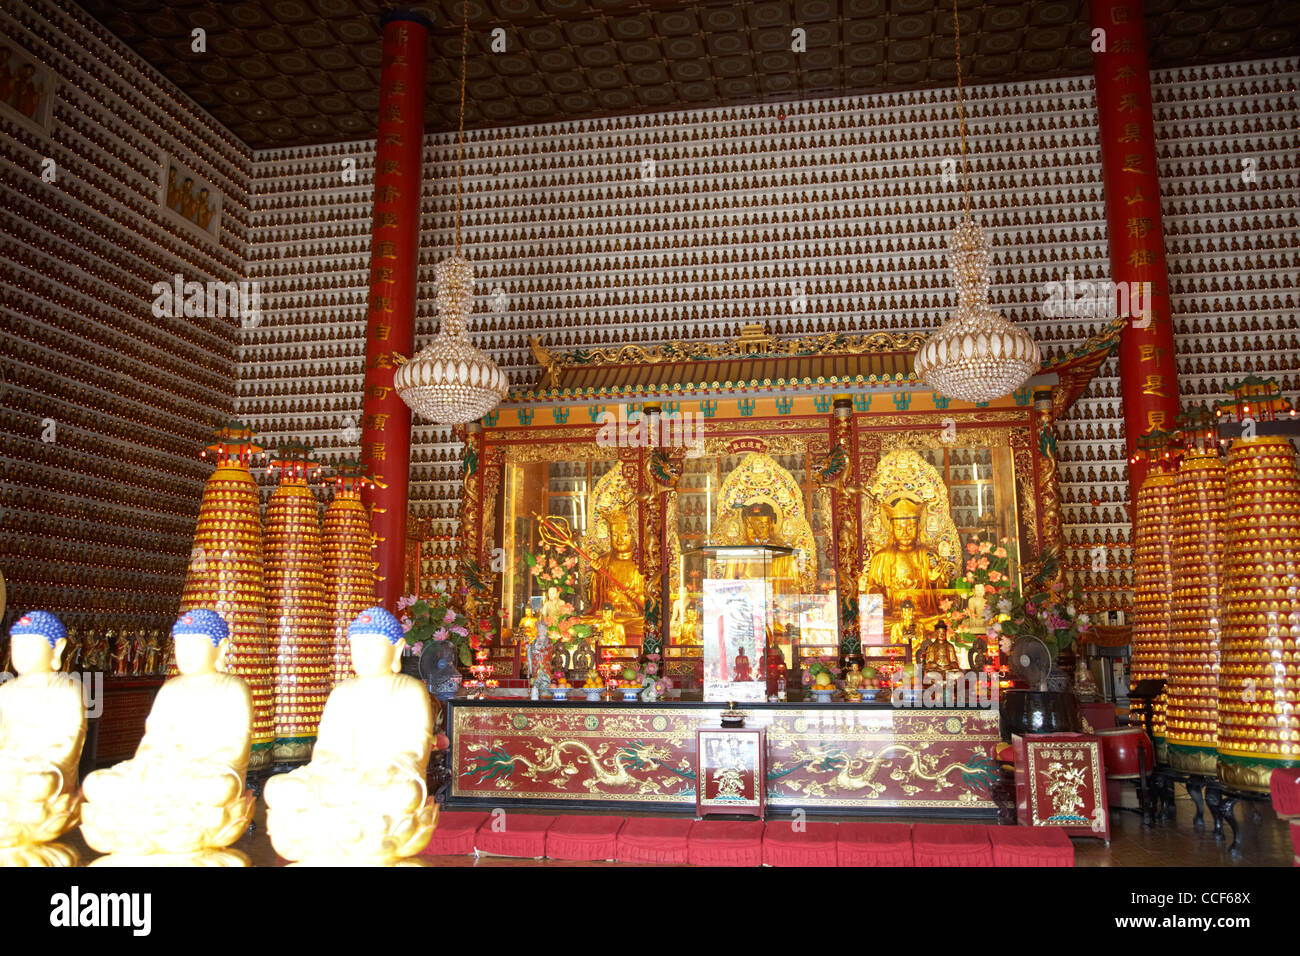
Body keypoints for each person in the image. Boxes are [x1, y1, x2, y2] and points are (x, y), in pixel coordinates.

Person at [263, 607, 436, 864]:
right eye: (357, 647)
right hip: (340, 778)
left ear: (397, 649)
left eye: (372, 647)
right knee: (279, 788)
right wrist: (334, 767)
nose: (363, 655)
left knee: (405, 793)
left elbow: (415, 748)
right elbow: (325, 748)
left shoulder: (409, 690)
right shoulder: (342, 692)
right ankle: (352, 834)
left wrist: (386, 770)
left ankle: (340, 833)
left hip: (384, 782)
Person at [80, 609, 255, 860]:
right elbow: (152, 740)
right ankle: (161, 823)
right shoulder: (171, 689)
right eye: (180, 645)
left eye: (195, 645)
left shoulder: (233, 688)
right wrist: (153, 762)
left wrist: (190, 762)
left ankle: (149, 824)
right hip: (164, 770)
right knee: (96, 783)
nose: (185, 653)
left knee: (219, 788)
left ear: (222, 648)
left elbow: (235, 747)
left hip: (204, 774)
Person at [0, 611, 85, 863]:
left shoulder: (67, 688)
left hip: (42, 772)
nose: (21, 652)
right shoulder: (6, 690)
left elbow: (70, 739)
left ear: (56, 648)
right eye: (17, 645)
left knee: (36, 783)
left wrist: (34, 763)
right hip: (9, 765)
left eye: (30, 645)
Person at [862, 492, 946, 617]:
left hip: (922, 614)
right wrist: (876, 594)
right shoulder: (881, 557)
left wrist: (933, 581)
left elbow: (944, 592)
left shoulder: (928, 555)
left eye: (911, 528)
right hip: (893, 614)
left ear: (919, 527)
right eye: (899, 529)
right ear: (891, 529)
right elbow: (871, 587)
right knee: (881, 625)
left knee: (939, 621)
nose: (905, 533)